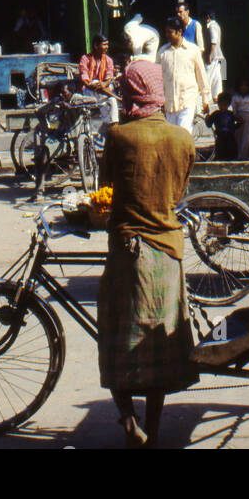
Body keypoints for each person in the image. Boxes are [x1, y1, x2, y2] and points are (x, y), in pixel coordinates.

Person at [96, 53, 198, 447]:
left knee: (115, 337)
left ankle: (127, 422)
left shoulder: (120, 136)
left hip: (128, 250)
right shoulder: (182, 138)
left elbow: (107, 188)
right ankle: (152, 430)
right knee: (157, 345)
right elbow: (179, 192)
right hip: (168, 252)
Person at [157, 20, 210, 134]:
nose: (167, 35)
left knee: (184, 135)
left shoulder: (193, 50)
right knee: (172, 138)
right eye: (165, 32)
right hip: (169, 103)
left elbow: (201, 75)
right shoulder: (162, 52)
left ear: (179, 32)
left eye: (170, 32)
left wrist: (206, 99)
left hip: (187, 100)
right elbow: (157, 78)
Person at [79, 34, 119, 124]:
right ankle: (107, 122)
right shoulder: (85, 59)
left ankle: (113, 124)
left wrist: (104, 85)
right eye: (104, 45)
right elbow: (85, 78)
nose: (106, 47)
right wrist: (96, 85)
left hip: (104, 90)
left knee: (112, 100)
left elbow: (109, 77)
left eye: (107, 44)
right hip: (89, 90)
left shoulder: (109, 60)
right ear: (96, 46)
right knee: (96, 82)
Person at [232, 77, 249, 159]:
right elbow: (234, 110)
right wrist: (237, 117)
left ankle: (242, 157)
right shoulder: (235, 98)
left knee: (246, 139)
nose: (244, 87)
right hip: (240, 119)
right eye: (242, 85)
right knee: (239, 138)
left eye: (246, 85)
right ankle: (243, 156)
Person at [206, 92, 240, 160]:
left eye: (225, 104)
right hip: (220, 138)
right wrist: (207, 116)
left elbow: (241, 122)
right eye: (221, 104)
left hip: (230, 139)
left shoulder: (231, 114)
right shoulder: (216, 114)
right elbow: (209, 124)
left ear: (228, 104)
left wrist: (233, 128)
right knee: (221, 156)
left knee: (231, 156)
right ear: (218, 104)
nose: (223, 106)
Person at [202, 9, 226, 103]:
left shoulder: (212, 27)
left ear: (208, 17)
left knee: (208, 76)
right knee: (217, 77)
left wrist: (210, 54)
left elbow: (214, 41)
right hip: (217, 56)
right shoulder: (217, 26)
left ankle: (207, 97)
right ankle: (217, 95)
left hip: (213, 55)